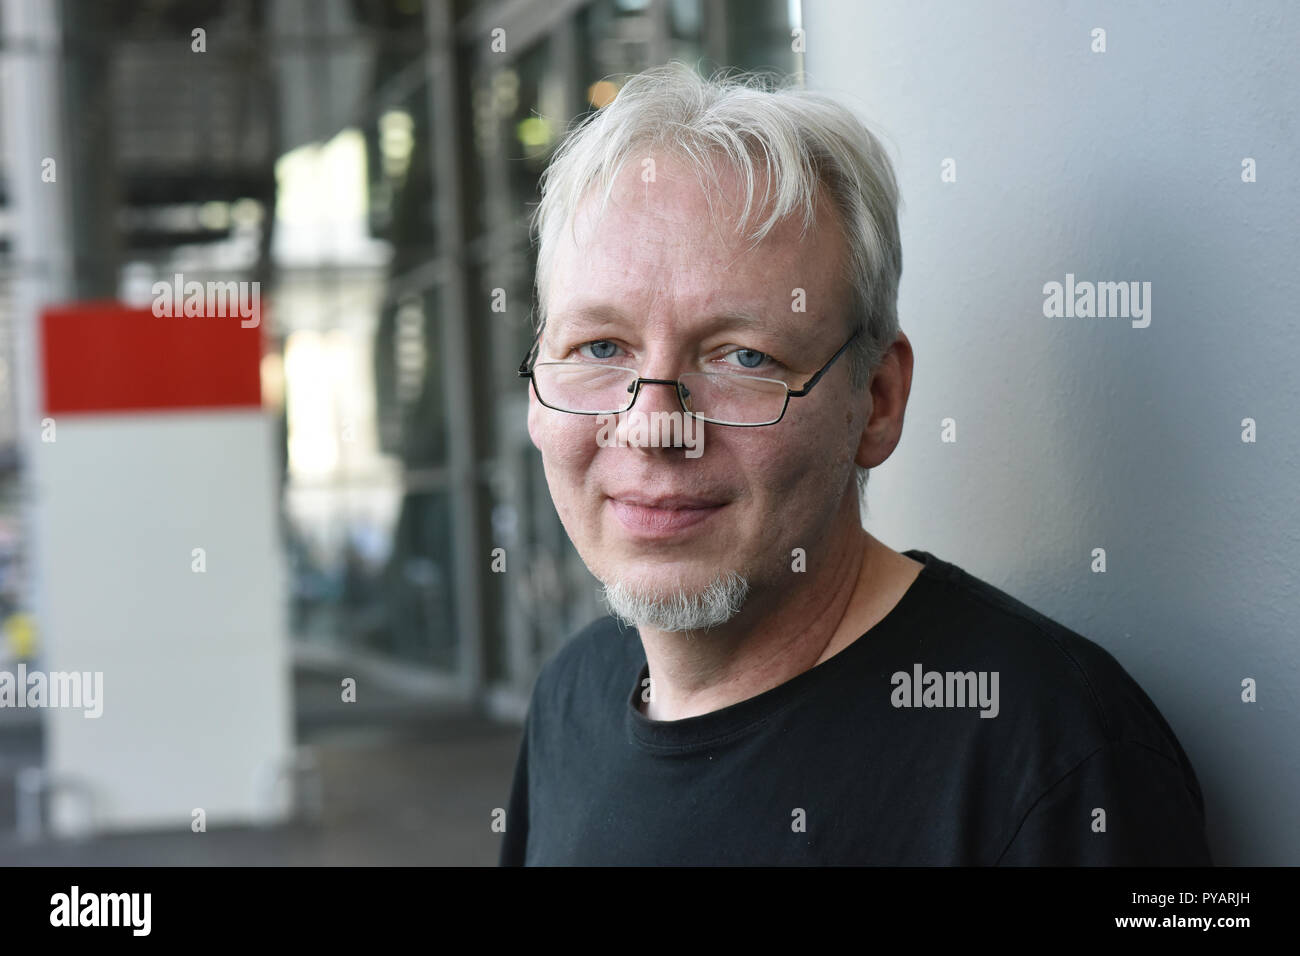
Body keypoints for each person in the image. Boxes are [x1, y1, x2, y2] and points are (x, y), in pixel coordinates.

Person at [500, 64, 1211, 865]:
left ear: (877, 401)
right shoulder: (571, 697)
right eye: (599, 347)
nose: (654, 426)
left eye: (742, 355)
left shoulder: (1055, 760)